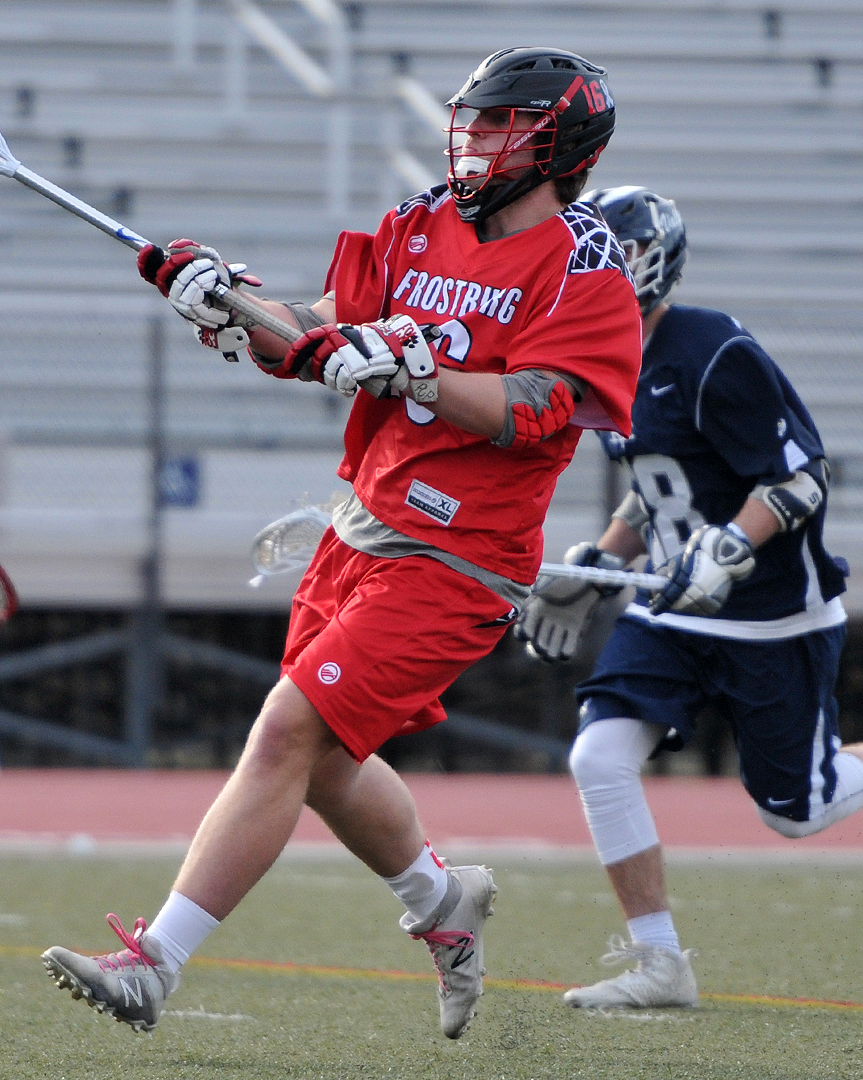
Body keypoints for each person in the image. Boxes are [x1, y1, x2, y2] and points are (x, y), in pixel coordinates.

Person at [39, 47, 641, 1040]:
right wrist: (223, 298)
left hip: (459, 558)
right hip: (361, 525)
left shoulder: (585, 265)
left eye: (499, 125)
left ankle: (154, 963)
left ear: (558, 142)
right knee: (319, 762)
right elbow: (321, 332)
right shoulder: (421, 220)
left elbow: (542, 407)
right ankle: (441, 898)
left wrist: (412, 371)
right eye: (472, 120)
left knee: (285, 730)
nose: (474, 139)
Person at [515, 185, 863, 1010]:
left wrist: (729, 546)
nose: (584, 280)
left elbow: (800, 478)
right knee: (598, 757)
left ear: (651, 268)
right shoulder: (605, 358)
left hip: (769, 613)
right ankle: (661, 965)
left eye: (602, 264)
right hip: (673, 605)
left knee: (797, 812)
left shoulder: (710, 350)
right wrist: (597, 564)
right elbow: (658, 488)